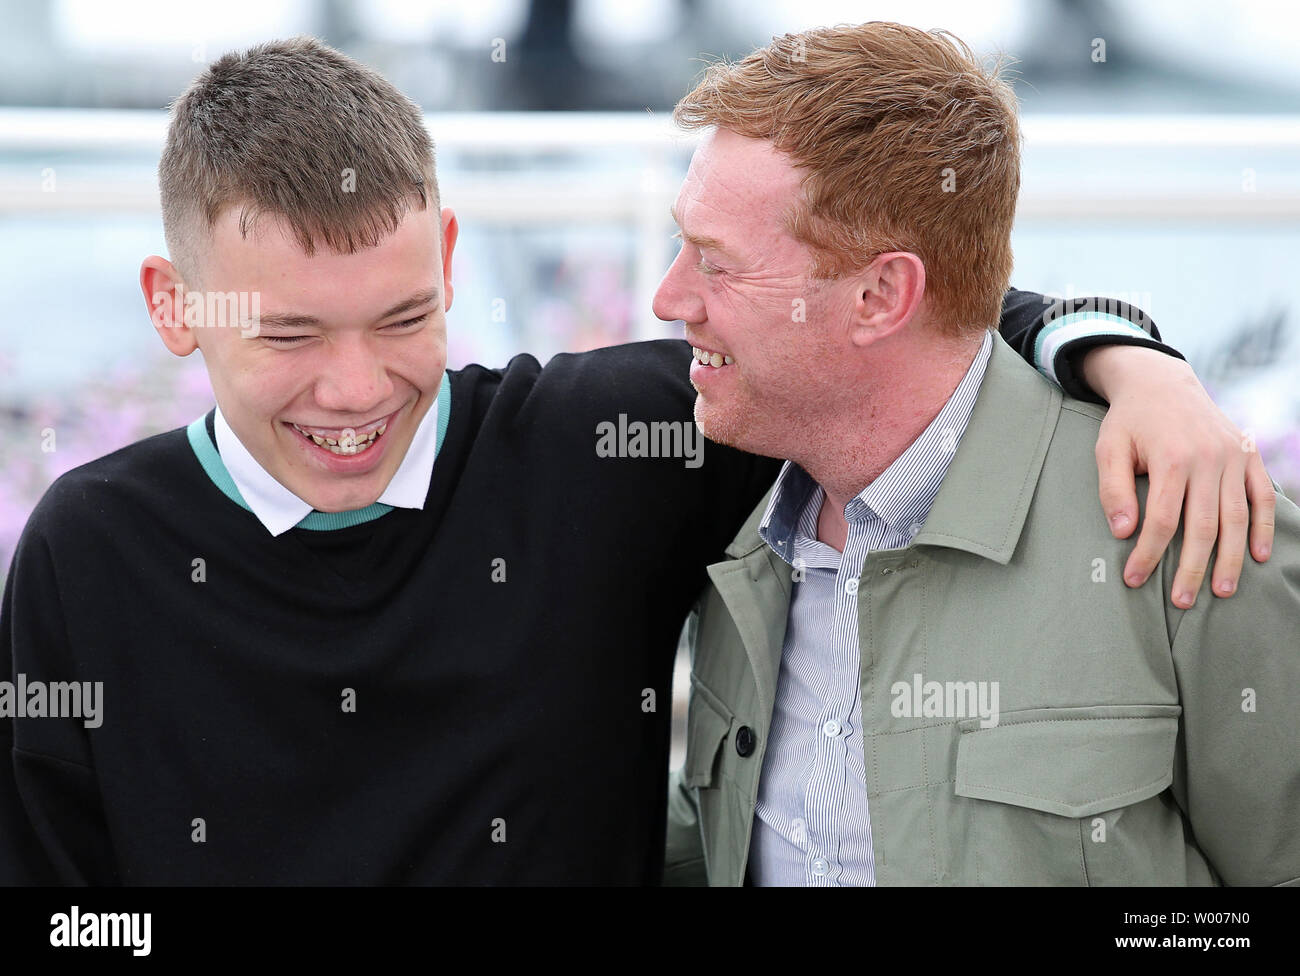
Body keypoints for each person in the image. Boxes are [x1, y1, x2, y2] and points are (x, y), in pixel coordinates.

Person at [0, 36, 1277, 885]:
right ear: (175, 306)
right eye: (286, 333)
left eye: (402, 320)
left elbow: (912, 326)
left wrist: (1123, 358)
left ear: (450, 261)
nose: (354, 389)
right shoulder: (87, 545)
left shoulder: (618, 447)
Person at [660, 22, 1299, 887]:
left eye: (716, 264)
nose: (668, 298)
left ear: (882, 294)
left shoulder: (1191, 526)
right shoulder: (721, 511)